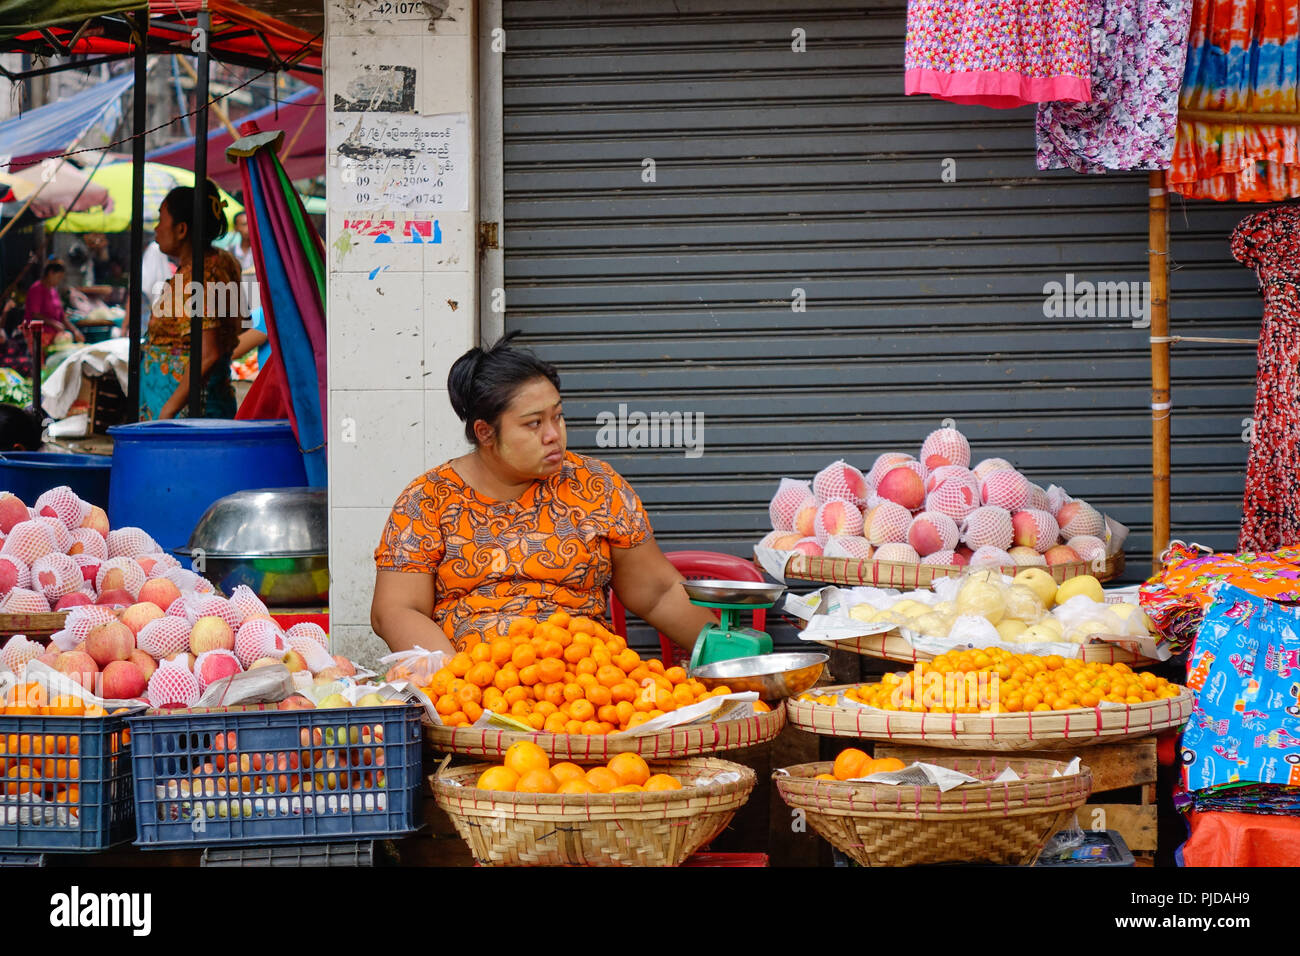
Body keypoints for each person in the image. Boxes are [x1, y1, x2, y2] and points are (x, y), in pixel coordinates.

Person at [371, 334, 716, 656]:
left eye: (558, 416)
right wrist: (458, 683)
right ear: (485, 432)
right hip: (477, 693)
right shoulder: (429, 499)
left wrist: (741, 659)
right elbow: (397, 610)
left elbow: (658, 593)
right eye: (534, 424)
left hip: (588, 686)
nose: (554, 435)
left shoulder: (596, 486)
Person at [138, 180, 243, 420]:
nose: (156, 228)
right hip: (212, 400)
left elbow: (209, 353)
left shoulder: (196, 279)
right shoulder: (224, 262)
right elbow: (239, 322)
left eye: (161, 219)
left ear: (182, 229)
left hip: (186, 415)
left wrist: (167, 412)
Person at [23, 260, 83, 348]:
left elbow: (62, 316)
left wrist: (75, 331)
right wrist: (54, 323)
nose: (59, 281)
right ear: (51, 273)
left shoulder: (53, 291)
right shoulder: (36, 289)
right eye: (58, 277)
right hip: (38, 335)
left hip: (54, 336)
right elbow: (35, 314)